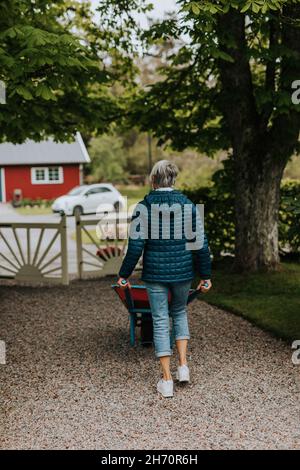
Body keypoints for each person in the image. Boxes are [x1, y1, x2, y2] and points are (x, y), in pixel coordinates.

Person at [117, 160, 212, 398]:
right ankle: (183, 366)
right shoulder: (189, 206)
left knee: (160, 320)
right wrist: (206, 276)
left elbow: (135, 247)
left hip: (155, 275)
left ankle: (167, 381)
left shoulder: (143, 208)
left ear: (153, 180)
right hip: (183, 273)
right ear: (174, 180)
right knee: (179, 312)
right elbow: (200, 244)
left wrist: (123, 275)